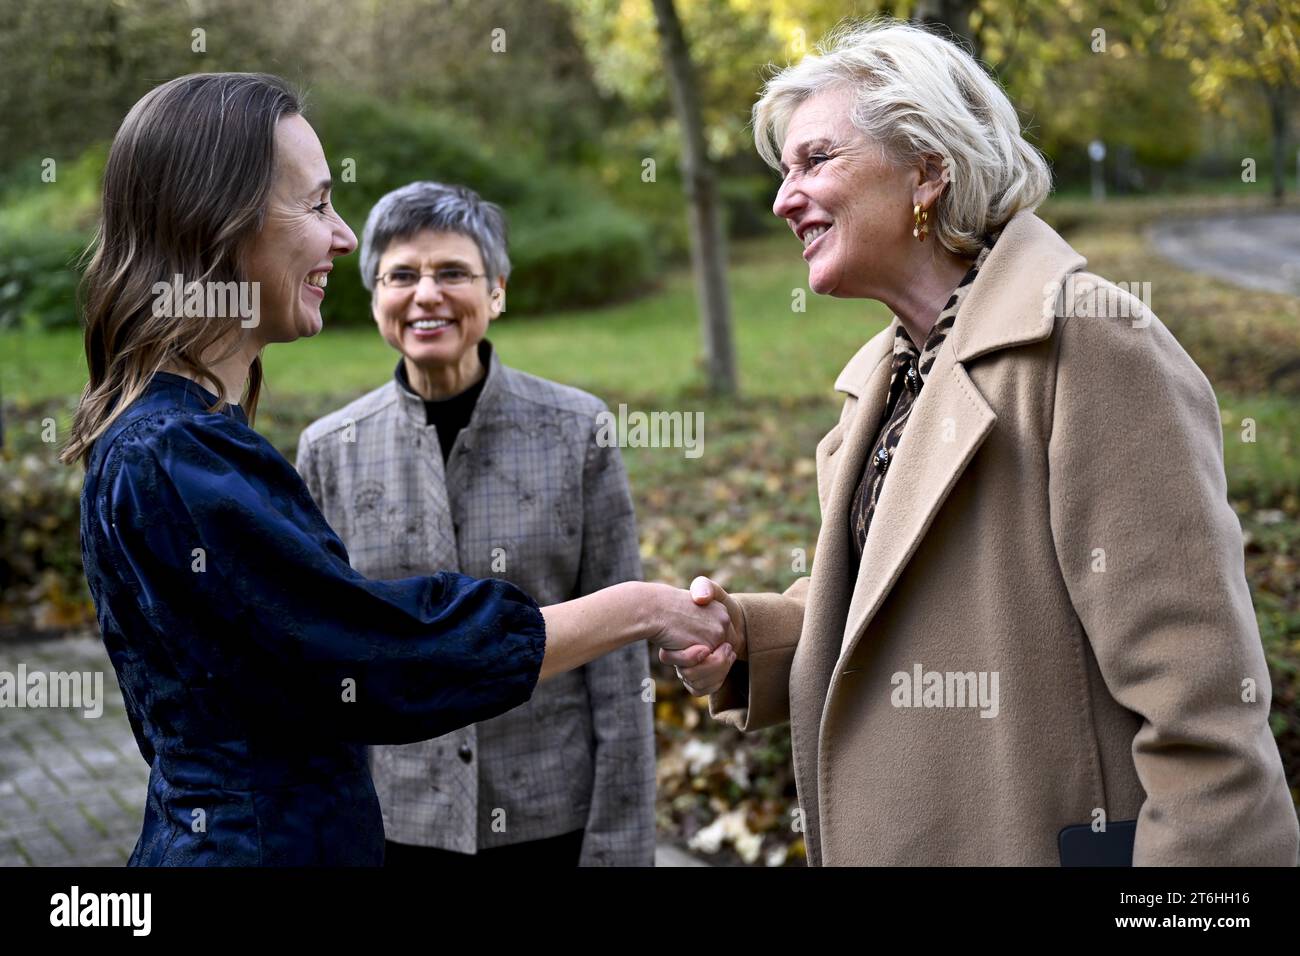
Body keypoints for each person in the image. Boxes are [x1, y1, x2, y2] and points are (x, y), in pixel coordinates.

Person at [61, 72, 735, 866]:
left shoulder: (188, 442)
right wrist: (643, 608)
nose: (343, 238)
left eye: (452, 273)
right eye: (316, 206)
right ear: (216, 220)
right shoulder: (174, 458)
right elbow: (382, 656)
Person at [667, 19, 1299, 866]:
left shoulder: (1088, 345)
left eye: (815, 161)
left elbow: (1207, 720)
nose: (784, 200)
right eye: (784, 170)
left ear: (930, 167)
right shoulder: (888, 376)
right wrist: (751, 641)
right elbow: (899, 607)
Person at [297, 181, 654, 867]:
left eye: (453, 273)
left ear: (497, 291)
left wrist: (620, 845)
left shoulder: (577, 430)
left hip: (549, 816)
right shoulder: (329, 449)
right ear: (375, 297)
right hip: (396, 822)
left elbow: (620, 651)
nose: (426, 295)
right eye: (401, 275)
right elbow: (323, 661)